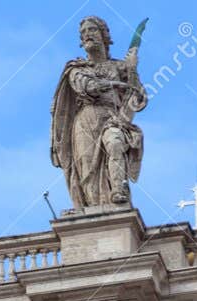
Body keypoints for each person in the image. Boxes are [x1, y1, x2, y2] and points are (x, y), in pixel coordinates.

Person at [51, 16, 146, 211]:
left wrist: (132, 70)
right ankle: (93, 210)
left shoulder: (120, 66)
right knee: (88, 170)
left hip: (113, 118)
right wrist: (109, 84)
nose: (87, 34)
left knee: (115, 142)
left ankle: (118, 191)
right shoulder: (76, 68)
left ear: (104, 36)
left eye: (92, 30)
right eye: (83, 32)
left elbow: (137, 98)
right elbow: (85, 86)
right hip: (85, 121)